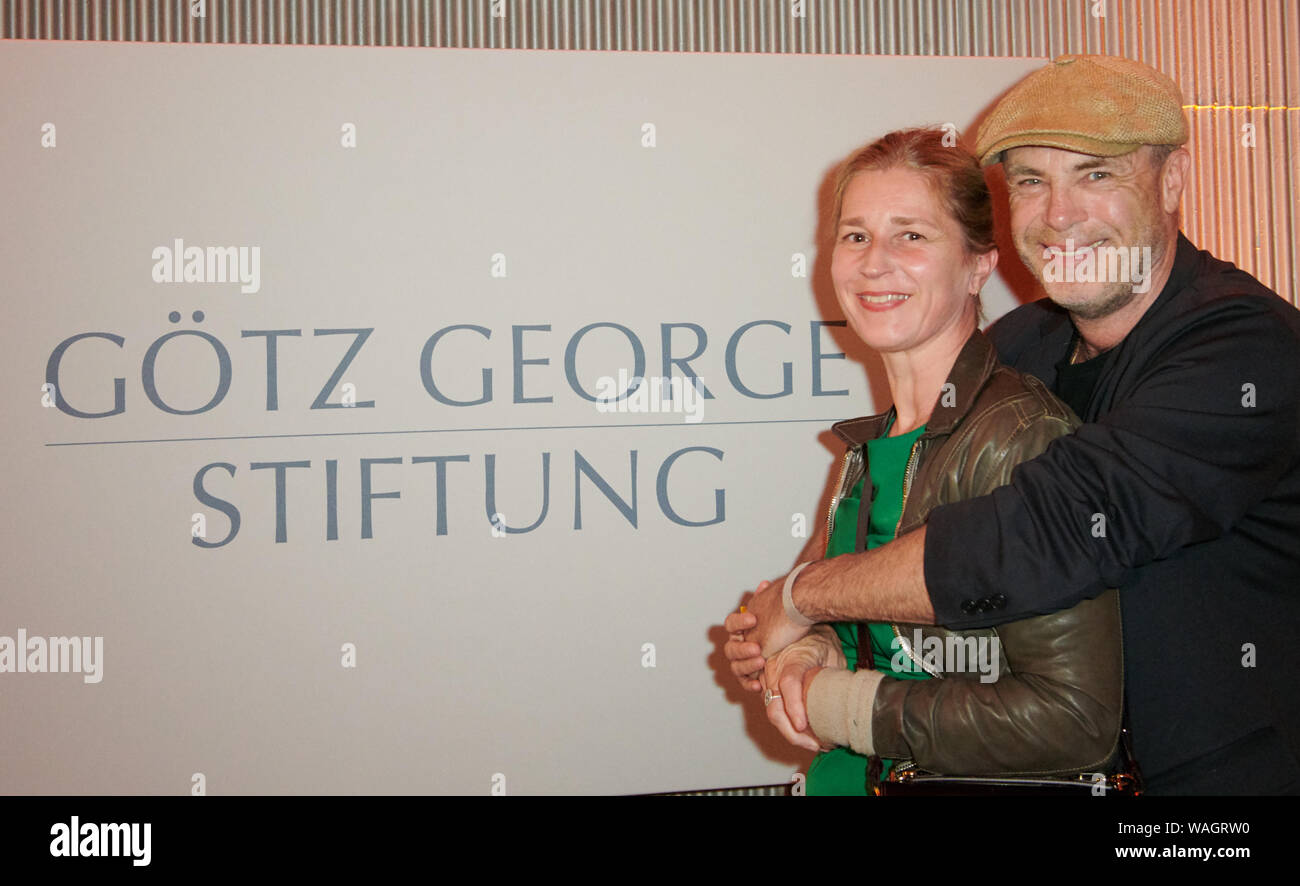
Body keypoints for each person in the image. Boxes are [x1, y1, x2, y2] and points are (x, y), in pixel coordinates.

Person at [726, 55, 1300, 795]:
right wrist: (813, 634)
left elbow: (1047, 532)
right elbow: (907, 525)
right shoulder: (1026, 341)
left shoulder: (1247, 349)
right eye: (1031, 181)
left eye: (1095, 174)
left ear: (1173, 181)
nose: (1060, 213)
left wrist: (805, 599)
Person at [749, 127, 1122, 794]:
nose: (873, 262)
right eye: (855, 235)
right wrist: (805, 652)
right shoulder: (871, 446)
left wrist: (837, 703)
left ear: (980, 264)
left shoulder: (1021, 435)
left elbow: (1074, 718)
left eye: (911, 236)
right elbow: (886, 644)